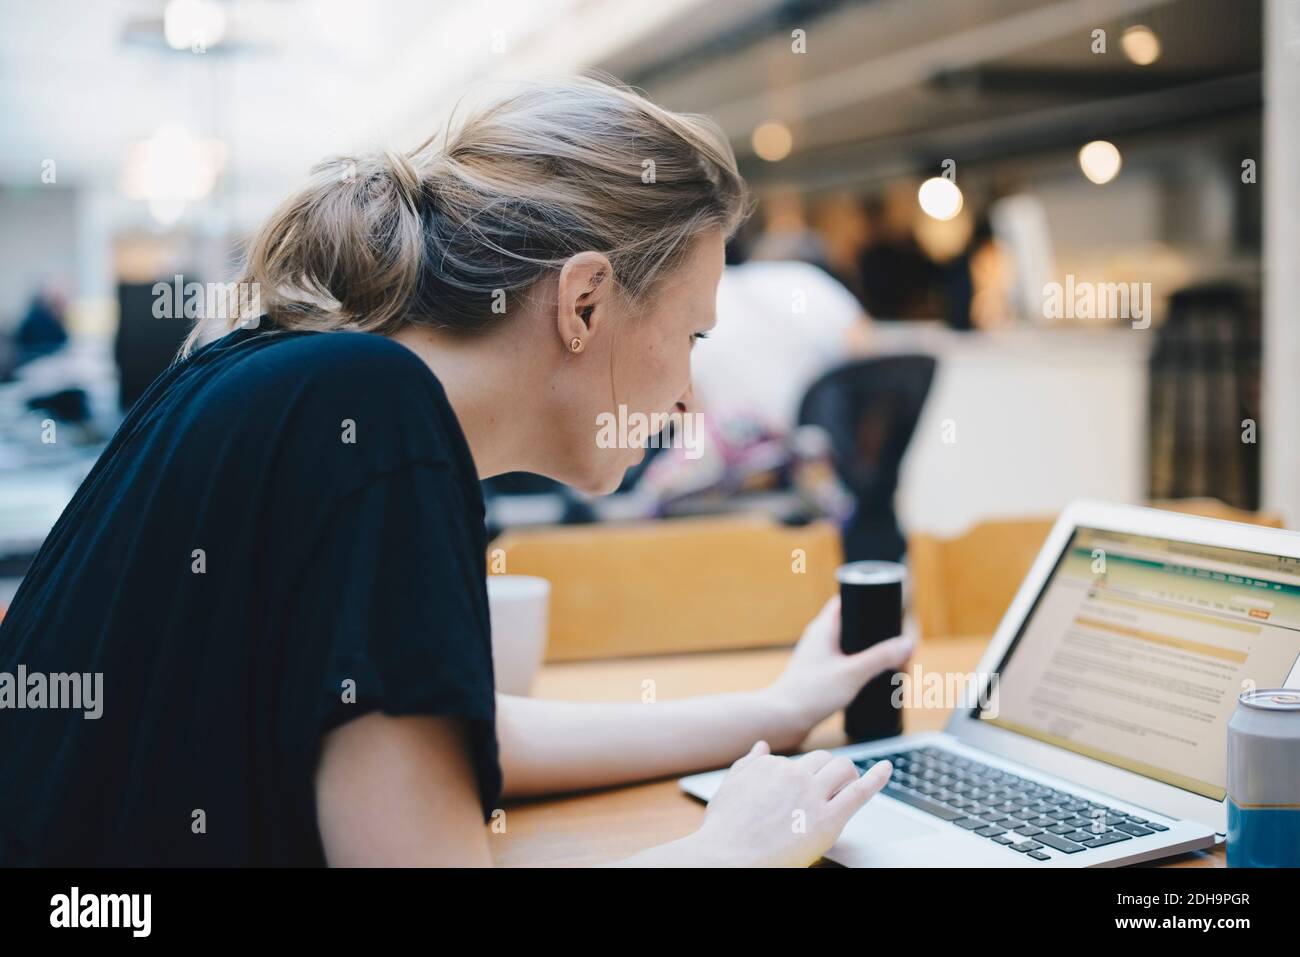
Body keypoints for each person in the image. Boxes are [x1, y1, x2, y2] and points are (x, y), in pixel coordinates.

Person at [0, 75, 911, 867]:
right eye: (692, 336)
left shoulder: (292, 374)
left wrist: (778, 710)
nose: (689, 402)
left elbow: (461, 734)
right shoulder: (377, 418)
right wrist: (724, 853)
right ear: (583, 300)